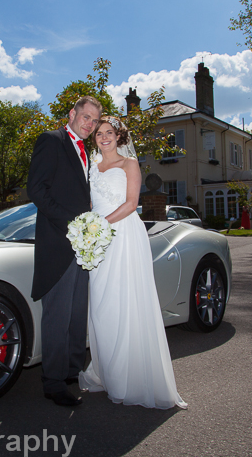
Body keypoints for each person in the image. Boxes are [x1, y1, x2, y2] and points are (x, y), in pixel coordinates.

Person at [78, 117, 187, 410]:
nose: (103, 138)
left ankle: (132, 378)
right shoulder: (92, 166)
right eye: (99, 134)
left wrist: (98, 225)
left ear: (119, 136)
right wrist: (86, 227)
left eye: (108, 133)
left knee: (127, 301)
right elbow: (90, 203)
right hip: (97, 240)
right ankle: (107, 372)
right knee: (102, 304)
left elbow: (130, 204)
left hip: (123, 235)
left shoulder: (129, 165)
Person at [27, 95, 102, 407]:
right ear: (72, 114)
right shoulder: (51, 140)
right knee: (57, 316)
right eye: (85, 117)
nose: (89, 124)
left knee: (76, 313)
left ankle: (71, 371)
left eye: (94, 121)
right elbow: (37, 190)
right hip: (59, 244)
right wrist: (72, 225)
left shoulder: (85, 151)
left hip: (82, 248)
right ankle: (53, 382)